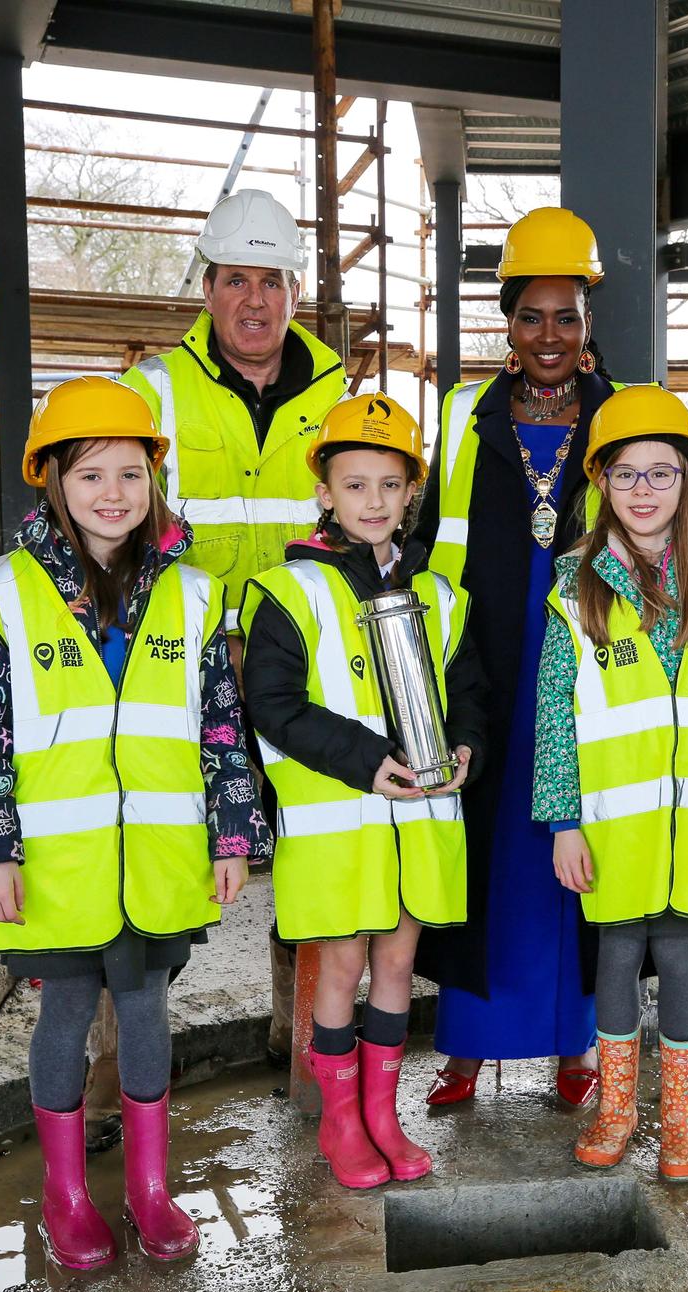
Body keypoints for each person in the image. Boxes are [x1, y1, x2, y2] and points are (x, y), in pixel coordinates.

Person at [0, 375, 269, 1268]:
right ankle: (67, 1192)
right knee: (66, 1016)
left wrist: (234, 835)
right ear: (51, 480)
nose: (113, 492)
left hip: (159, 859)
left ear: (154, 476)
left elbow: (221, 727)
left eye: (130, 471)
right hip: (52, 864)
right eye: (90, 474)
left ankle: (153, 1190)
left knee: (149, 1011)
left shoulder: (195, 596)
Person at [122, 187, 346, 1069]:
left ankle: (301, 1047)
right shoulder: (155, 393)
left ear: (296, 291)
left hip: (307, 671)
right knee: (170, 851)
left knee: (312, 854)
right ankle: (121, 1064)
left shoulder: (338, 395)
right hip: (187, 669)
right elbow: (114, 516)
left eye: (271, 281)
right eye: (234, 279)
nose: (254, 300)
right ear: (206, 288)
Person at [241, 392, 486, 1189]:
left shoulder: (441, 595)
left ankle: (385, 1114)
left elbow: (470, 691)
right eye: (355, 484)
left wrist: (464, 749)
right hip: (338, 826)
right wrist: (365, 758)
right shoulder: (288, 591)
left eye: (389, 483)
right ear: (324, 491)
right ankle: (341, 1122)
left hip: (419, 822)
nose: (373, 501)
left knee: (398, 965)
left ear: (411, 490)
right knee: (340, 971)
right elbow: (273, 707)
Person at [410, 207, 623, 1107]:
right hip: (487, 660)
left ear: (587, 321)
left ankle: (580, 1048)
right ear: (507, 321)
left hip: (592, 661)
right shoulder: (464, 412)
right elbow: (431, 538)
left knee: (576, 852)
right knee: (483, 845)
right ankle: (467, 1046)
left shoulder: (621, 415)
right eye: (531, 316)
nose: (550, 336)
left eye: (567, 315)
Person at [536, 386, 688, 1180]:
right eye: (627, 474)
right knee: (616, 955)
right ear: (600, 481)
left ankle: (679, 1116)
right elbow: (555, 715)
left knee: (677, 955)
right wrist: (563, 821)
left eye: (662, 473)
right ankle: (615, 1106)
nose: (644, 490)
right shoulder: (574, 586)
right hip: (611, 820)